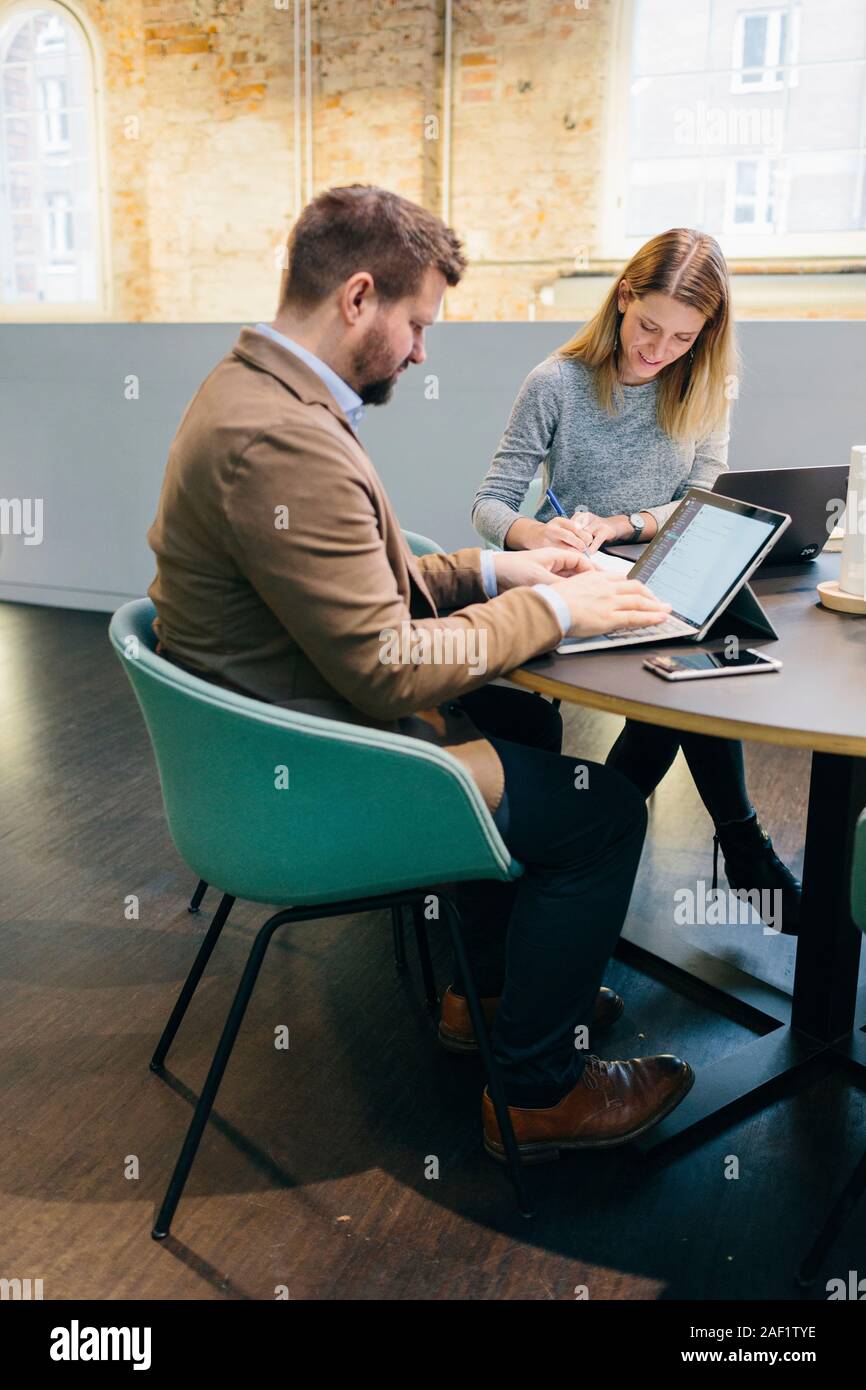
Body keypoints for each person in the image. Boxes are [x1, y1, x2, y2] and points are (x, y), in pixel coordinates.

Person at [146, 185, 695, 1165]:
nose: (421, 351)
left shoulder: (258, 392)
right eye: (417, 323)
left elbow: (367, 583)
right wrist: (558, 609)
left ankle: (480, 992)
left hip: (283, 720)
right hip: (320, 768)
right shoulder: (282, 438)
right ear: (359, 296)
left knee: (517, 724)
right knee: (604, 813)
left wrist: (504, 569)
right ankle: (537, 1089)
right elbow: (387, 666)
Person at [472, 228, 801, 933]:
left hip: (661, 573)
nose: (658, 349)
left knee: (692, 669)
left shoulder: (706, 386)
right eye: (649, 325)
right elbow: (491, 503)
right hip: (571, 580)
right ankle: (735, 842)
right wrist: (541, 532)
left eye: (682, 338)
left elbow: (700, 497)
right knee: (683, 677)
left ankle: (607, 836)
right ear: (623, 297)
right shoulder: (555, 382)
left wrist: (619, 525)